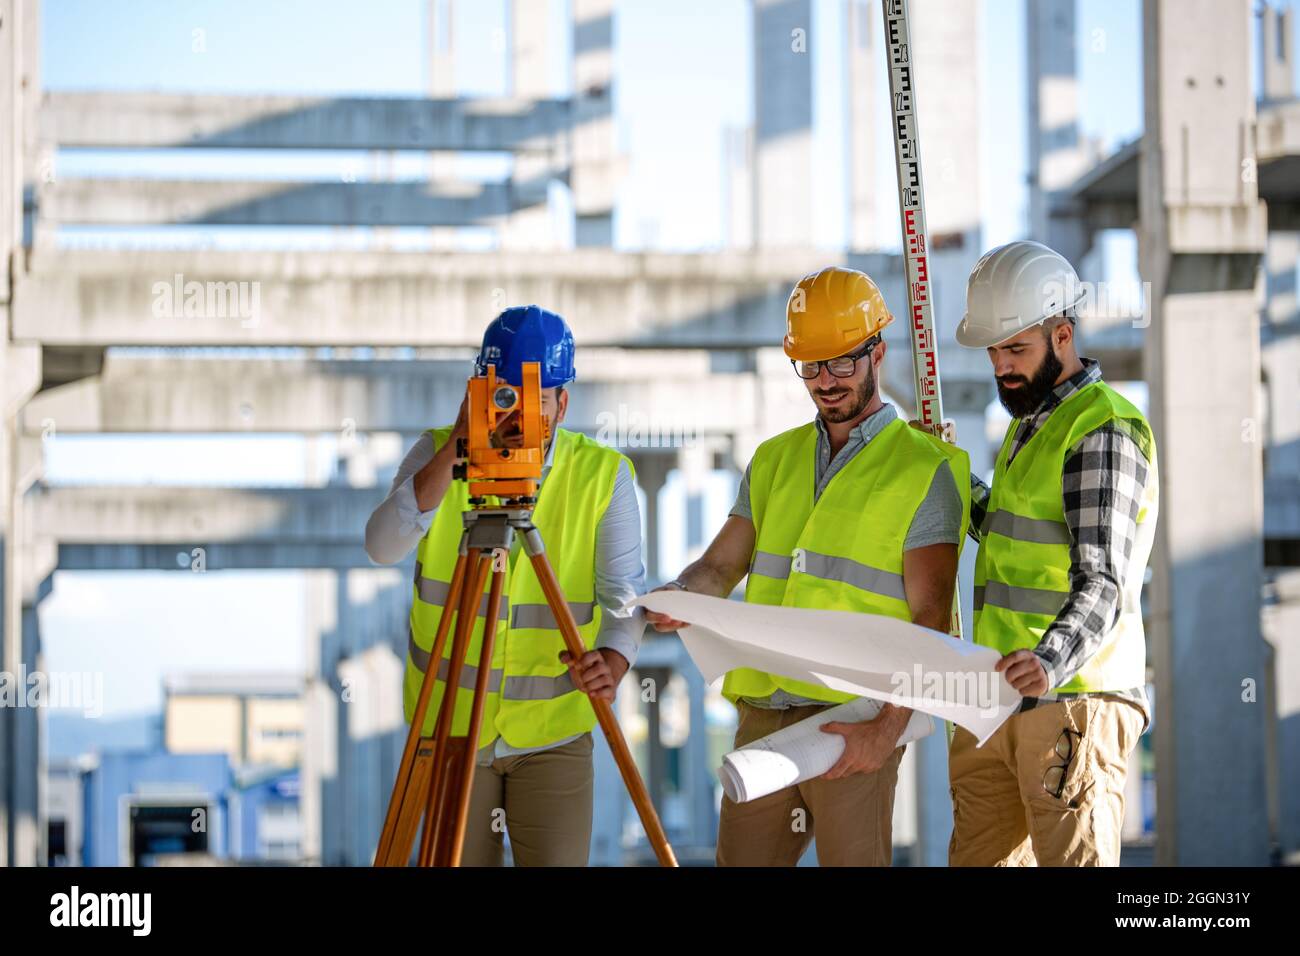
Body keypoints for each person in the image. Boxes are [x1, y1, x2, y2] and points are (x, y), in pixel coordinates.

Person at [645, 266, 970, 866]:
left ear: (878, 352)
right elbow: (719, 567)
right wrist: (679, 596)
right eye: (811, 365)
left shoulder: (926, 468)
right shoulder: (773, 460)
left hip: (853, 721)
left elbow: (933, 618)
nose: (825, 381)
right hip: (763, 717)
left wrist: (887, 729)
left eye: (842, 362)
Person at [365, 305, 644, 866]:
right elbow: (381, 545)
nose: (514, 411)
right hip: (449, 728)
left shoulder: (602, 476)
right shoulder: (438, 453)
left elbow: (625, 596)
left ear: (562, 402)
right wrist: (455, 452)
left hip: (553, 735)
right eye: (502, 391)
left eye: (532, 394)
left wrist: (614, 658)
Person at [946, 240, 1158, 867]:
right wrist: (950, 474)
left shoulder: (1101, 428)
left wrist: (1049, 660)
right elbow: (1010, 530)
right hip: (999, 697)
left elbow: (1104, 581)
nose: (1001, 366)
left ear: (1062, 335)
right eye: (994, 352)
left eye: (1016, 349)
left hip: (1072, 699)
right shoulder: (1029, 421)